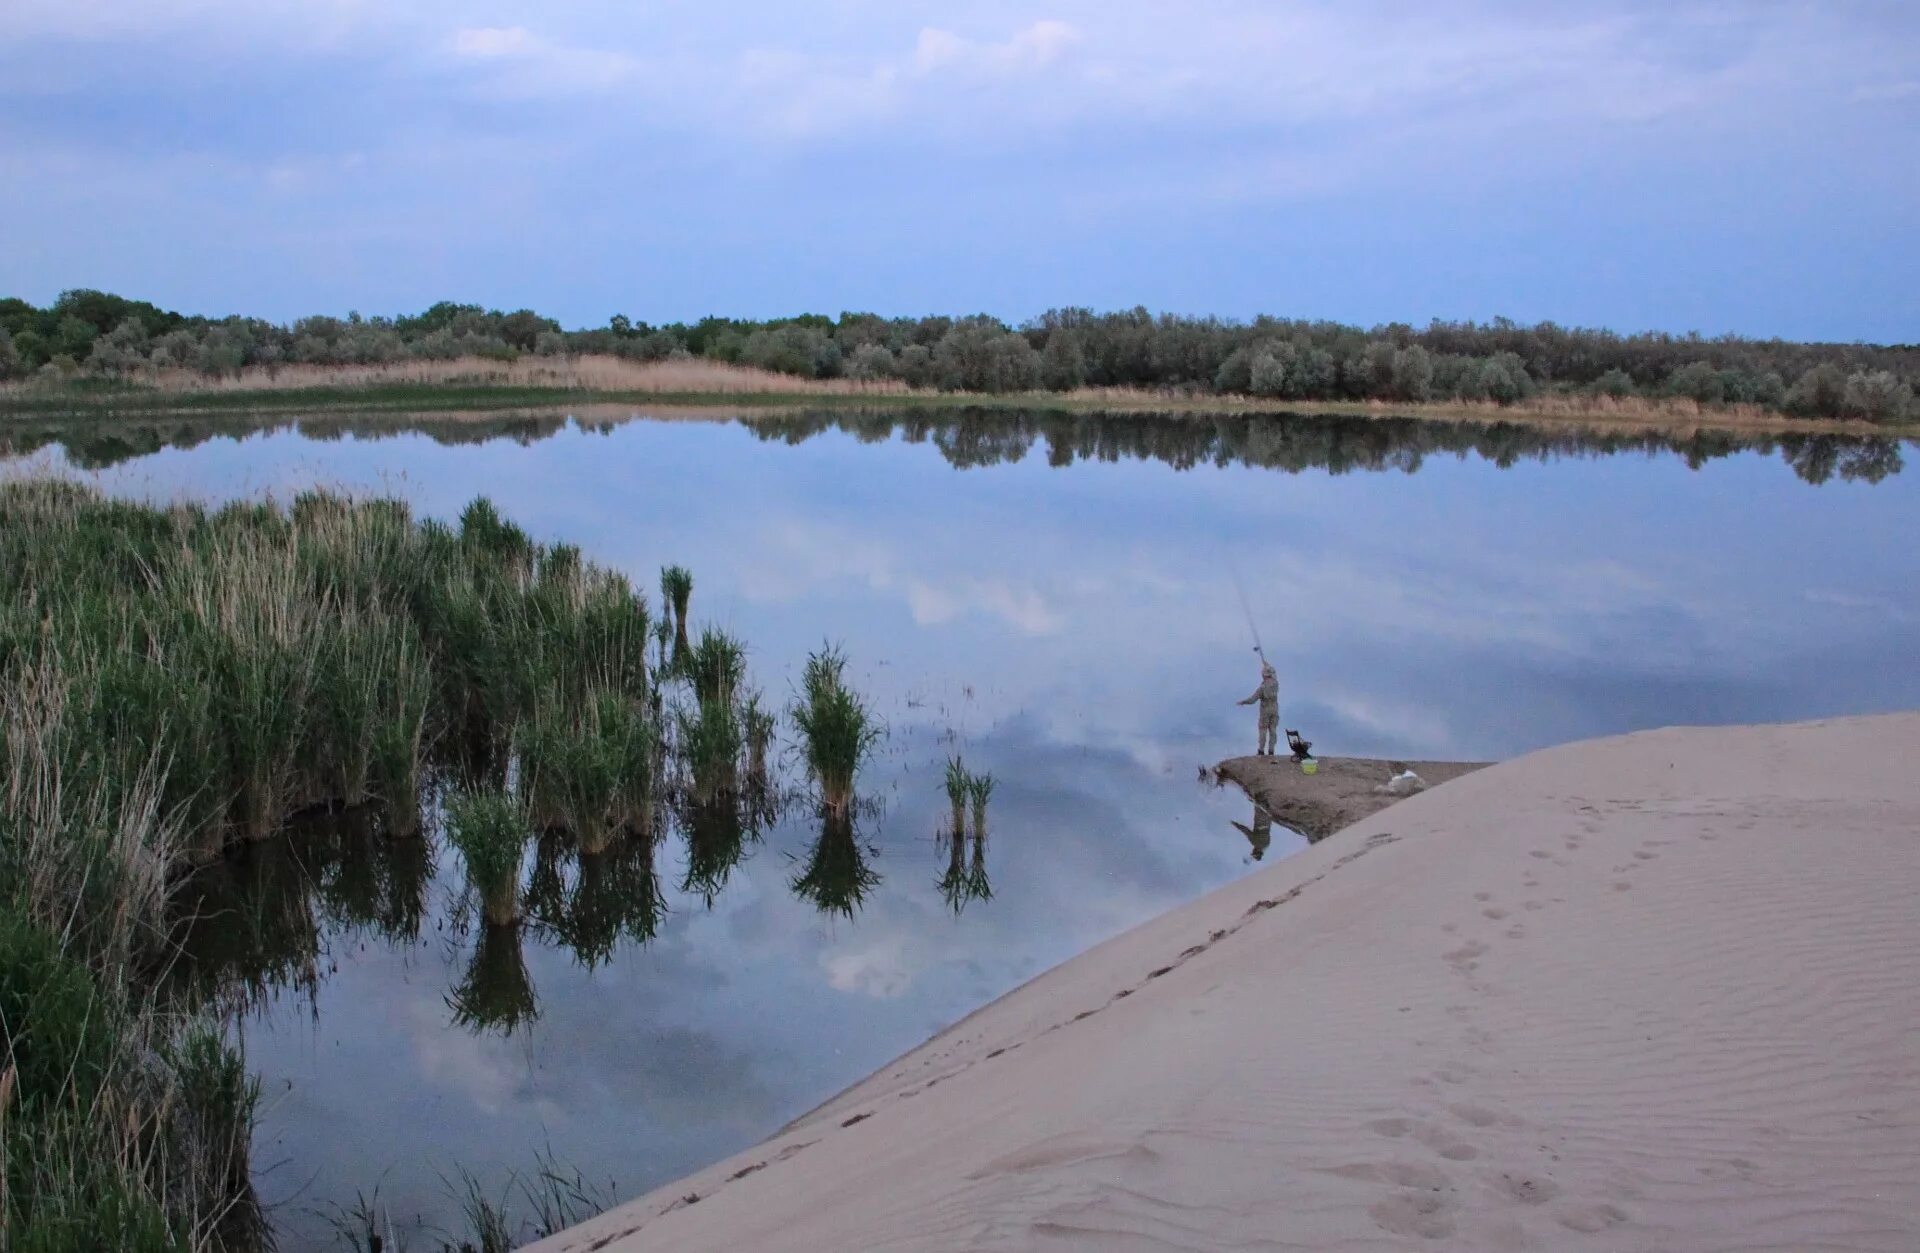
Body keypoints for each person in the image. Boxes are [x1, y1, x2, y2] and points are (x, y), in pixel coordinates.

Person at [1237, 661, 1279, 756]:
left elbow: (1252, 700)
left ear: (1264, 675)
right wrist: (1267, 665)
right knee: (1273, 730)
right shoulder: (1276, 684)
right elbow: (1274, 673)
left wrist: (1243, 702)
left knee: (1263, 730)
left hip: (1265, 711)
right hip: (1275, 709)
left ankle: (1261, 751)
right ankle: (1271, 751)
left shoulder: (1262, 688)